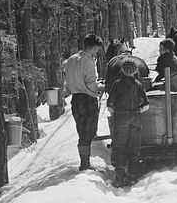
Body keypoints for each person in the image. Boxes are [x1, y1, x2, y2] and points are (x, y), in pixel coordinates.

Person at [64, 34, 105, 170]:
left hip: (75, 99)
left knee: (82, 131)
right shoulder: (87, 61)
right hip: (87, 99)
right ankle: (85, 164)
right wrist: (100, 87)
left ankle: (84, 162)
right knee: (89, 132)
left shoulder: (70, 60)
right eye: (97, 50)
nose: (96, 53)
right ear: (93, 48)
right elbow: (91, 84)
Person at [107, 59, 150, 187]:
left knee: (119, 146)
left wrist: (118, 113)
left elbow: (110, 106)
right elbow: (146, 105)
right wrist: (137, 111)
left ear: (122, 70)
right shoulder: (139, 85)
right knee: (134, 147)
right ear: (136, 71)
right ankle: (132, 176)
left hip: (121, 117)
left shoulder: (116, 84)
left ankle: (120, 177)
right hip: (136, 117)